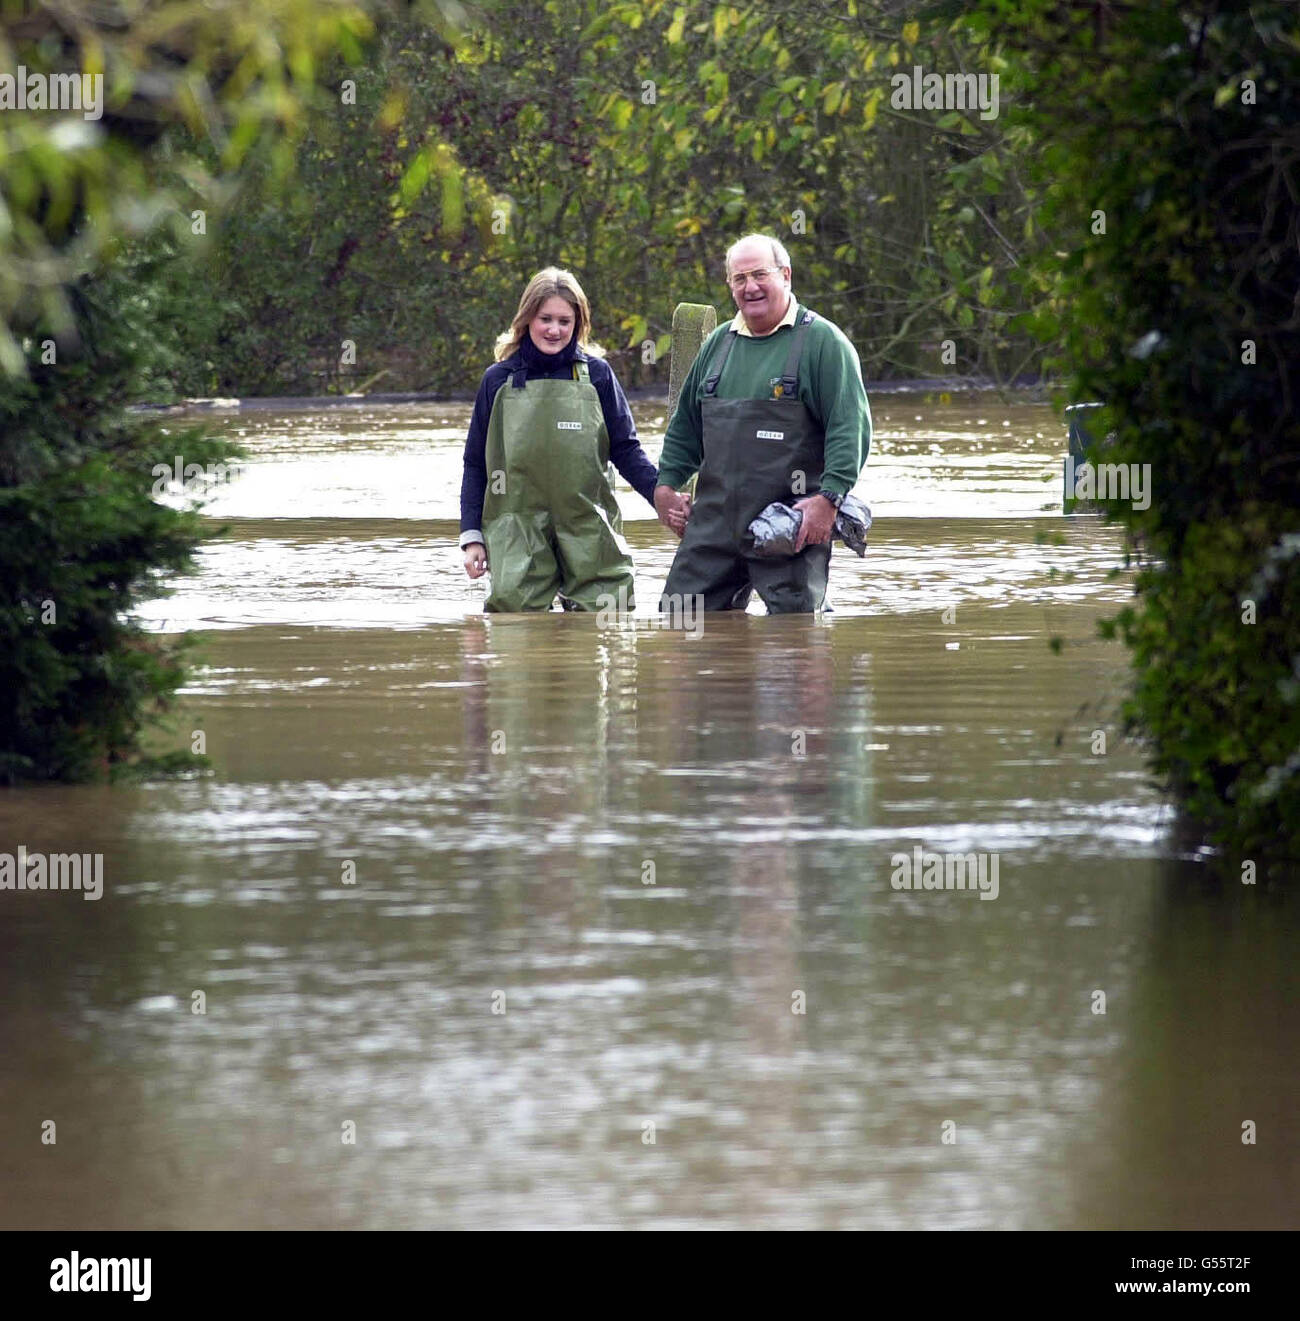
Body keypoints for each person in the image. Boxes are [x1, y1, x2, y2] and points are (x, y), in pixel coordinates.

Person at [653, 234, 871, 613]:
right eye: (739, 279)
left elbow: (849, 428)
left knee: (795, 638)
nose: (750, 286)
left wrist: (829, 499)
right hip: (714, 525)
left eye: (759, 275)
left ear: (785, 275)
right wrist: (666, 486)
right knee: (679, 622)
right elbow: (686, 426)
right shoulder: (718, 345)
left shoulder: (824, 343)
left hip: (790, 524)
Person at [460, 267, 672, 611]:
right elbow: (475, 463)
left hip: (589, 525)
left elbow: (626, 450)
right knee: (514, 629)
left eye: (565, 321)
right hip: (517, 531)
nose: (555, 330)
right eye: (546, 318)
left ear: (578, 324)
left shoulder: (599, 375)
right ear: (527, 318)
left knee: (609, 618)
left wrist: (664, 500)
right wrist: (471, 536)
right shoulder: (497, 379)